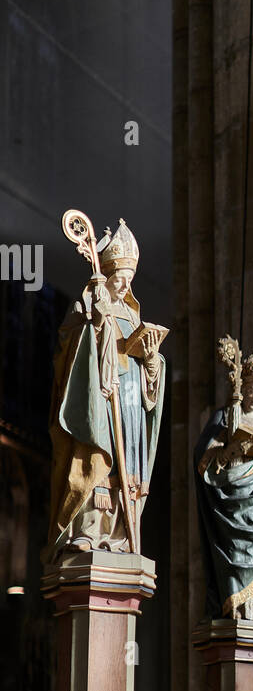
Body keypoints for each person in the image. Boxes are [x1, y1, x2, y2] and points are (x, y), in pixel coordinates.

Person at [45, 219, 165, 557]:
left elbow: (149, 377)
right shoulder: (85, 307)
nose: (123, 284)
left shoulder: (130, 314)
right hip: (98, 398)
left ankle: (120, 533)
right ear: (107, 277)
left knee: (125, 468)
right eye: (118, 279)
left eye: (128, 280)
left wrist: (153, 361)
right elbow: (66, 350)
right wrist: (95, 326)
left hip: (128, 405)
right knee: (96, 458)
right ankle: (87, 529)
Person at [194, 344, 253, 620]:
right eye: (251, 392)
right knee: (233, 553)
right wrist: (226, 454)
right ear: (242, 389)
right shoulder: (223, 418)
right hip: (229, 507)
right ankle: (234, 605)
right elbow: (203, 462)